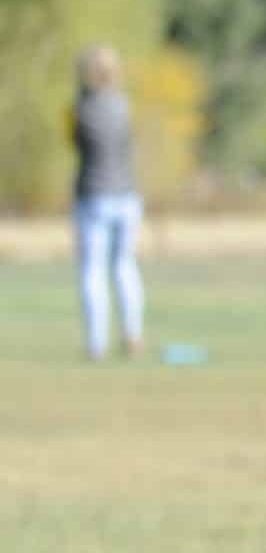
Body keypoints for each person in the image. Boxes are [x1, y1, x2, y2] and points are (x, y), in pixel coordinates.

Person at [68, 45, 145, 361]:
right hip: (126, 195)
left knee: (93, 271)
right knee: (125, 266)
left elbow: (74, 142)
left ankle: (96, 344)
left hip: (92, 196)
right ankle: (133, 336)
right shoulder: (124, 107)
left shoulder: (80, 110)